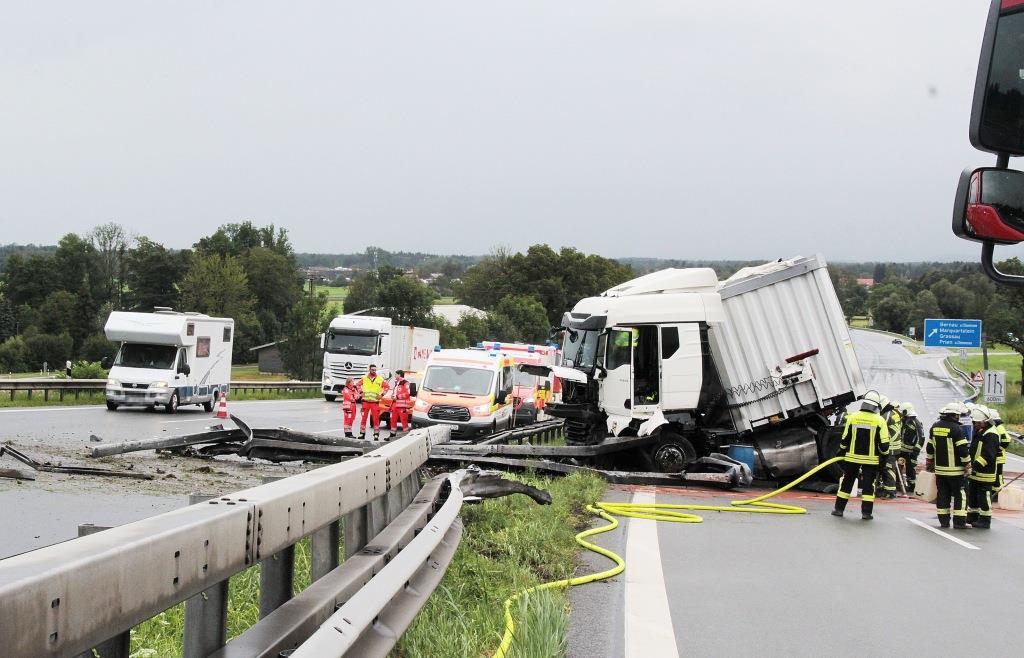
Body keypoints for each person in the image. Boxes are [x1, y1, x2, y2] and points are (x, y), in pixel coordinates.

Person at [832, 391, 890, 520]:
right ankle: (866, 513)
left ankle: (838, 510)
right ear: (876, 406)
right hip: (871, 461)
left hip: (852, 458)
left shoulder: (852, 417)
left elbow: (845, 439)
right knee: (869, 486)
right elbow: (885, 445)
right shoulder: (880, 420)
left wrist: (840, 452)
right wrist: (884, 457)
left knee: (847, 483)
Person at [926, 403, 971, 529]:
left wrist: (929, 462)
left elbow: (930, 447)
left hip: (940, 470)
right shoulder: (957, 429)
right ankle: (959, 522)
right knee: (960, 494)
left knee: (943, 494)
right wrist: (967, 464)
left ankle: (943, 521)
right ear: (955, 415)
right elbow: (962, 450)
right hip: (956, 471)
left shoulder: (935, 427)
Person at [967, 406, 1000, 529]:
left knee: (984, 497)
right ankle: (972, 516)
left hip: (985, 473)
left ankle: (985, 520)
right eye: (974, 422)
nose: (975, 424)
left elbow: (988, 455)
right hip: (976, 472)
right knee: (973, 495)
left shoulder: (991, 434)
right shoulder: (981, 431)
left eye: (977, 422)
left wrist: (974, 466)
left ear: (985, 421)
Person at [876, 396, 903, 499]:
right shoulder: (895, 413)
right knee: (887, 467)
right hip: (895, 446)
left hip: (889, 447)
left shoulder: (886, 416)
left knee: (888, 468)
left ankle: (890, 492)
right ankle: (887, 489)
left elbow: (879, 428)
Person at [359, 365, 390, 441]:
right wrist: (361, 392)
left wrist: (382, 394)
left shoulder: (380, 379)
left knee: (376, 419)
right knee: (363, 419)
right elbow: (357, 385)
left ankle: (376, 435)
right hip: (365, 402)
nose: (374, 371)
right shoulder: (364, 378)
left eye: (375, 370)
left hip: (375, 403)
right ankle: (362, 434)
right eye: (372, 370)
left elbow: (387, 387)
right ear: (369, 370)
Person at [898, 402, 925, 489]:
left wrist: (915, 451)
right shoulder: (903, 420)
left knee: (910, 468)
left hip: (911, 452)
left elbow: (921, 438)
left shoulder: (916, 423)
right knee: (898, 466)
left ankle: (912, 485)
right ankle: (898, 483)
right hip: (901, 450)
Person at [987, 406, 1011, 502]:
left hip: (998, 457)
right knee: (995, 475)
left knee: (998, 476)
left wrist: (998, 449)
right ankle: (994, 492)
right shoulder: (995, 427)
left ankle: (998, 494)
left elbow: (1006, 439)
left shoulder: (999, 427)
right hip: (996, 456)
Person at [390, 370, 413, 435]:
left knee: (404, 420)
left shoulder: (405, 383)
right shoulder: (397, 383)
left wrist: (397, 397)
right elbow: (396, 392)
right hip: (395, 404)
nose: (395, 376)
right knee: (393, 420)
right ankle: (392, 434)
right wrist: (393, 396)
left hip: (402, 406)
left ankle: (406, 436)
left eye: (396, 374)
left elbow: (407, 393)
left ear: (399, 375)